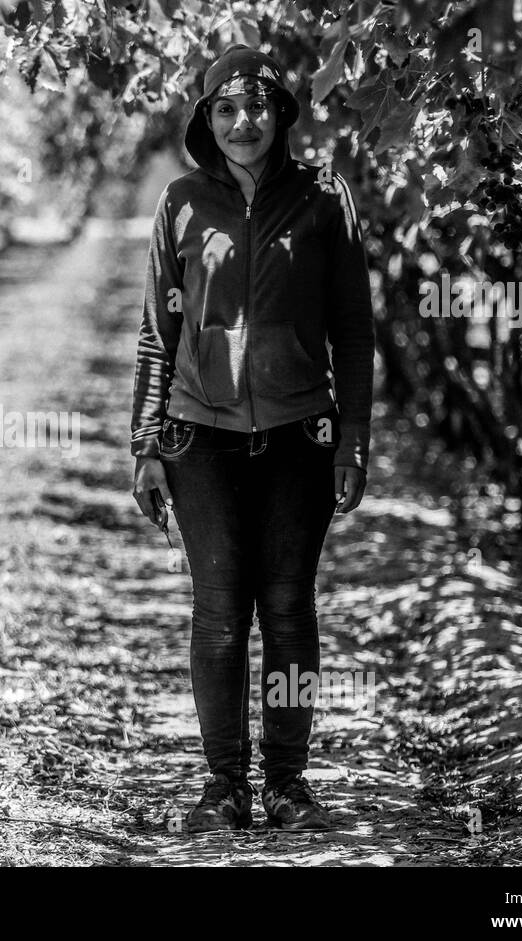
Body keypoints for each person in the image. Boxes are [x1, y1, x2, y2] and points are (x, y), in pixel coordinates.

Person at [130, 45, 375, 832]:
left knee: (290, 610)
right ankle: (223, 784)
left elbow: (354, 331)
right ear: (207, 120)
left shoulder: (322, 198)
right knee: (218, 611)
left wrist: (354, 441)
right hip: (198, 437)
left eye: (259, 108)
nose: (244, 123)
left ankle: (289, 783)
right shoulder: (181, 202)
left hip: (302, 433)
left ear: (282, 116)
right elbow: (155, 335)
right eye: (227, 110)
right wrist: (145, 444)